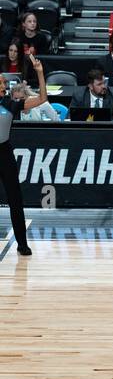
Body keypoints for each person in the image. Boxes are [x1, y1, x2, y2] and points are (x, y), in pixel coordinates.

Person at [0, 55, 46, 255]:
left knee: (15, 200)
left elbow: (42, 99)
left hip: (4, 153)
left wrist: (40, 73)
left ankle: (22, 243)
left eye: (3, 82)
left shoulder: (10, 104)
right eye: (0, 82)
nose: (3, 85)